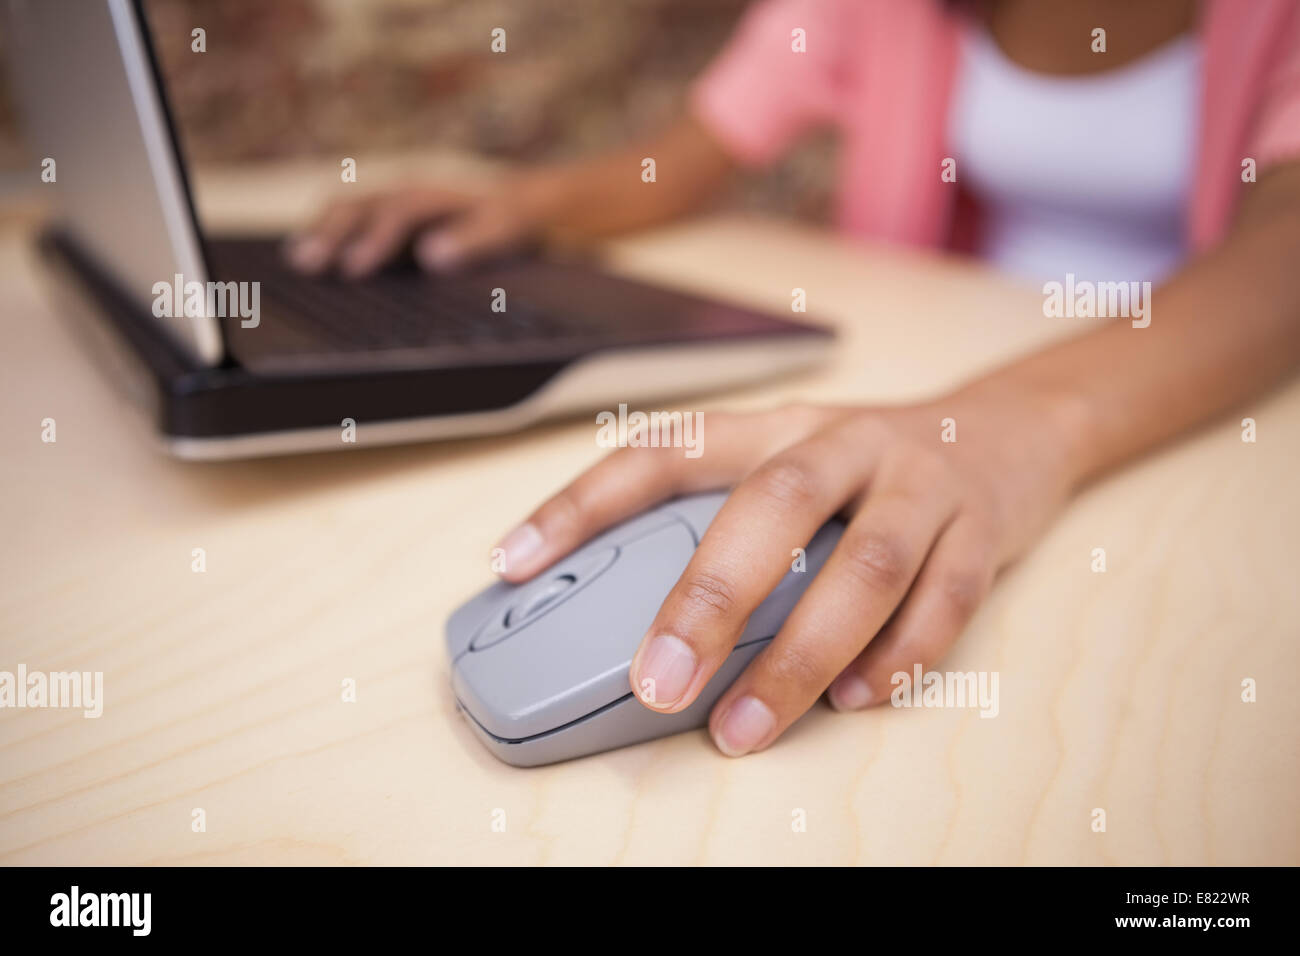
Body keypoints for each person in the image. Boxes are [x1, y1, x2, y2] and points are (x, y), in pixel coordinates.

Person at [288, 0, 1300, 757]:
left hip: (1188, 399)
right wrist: (524, 202)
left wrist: (1016, 425)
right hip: (917, 346)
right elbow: (691, 154)